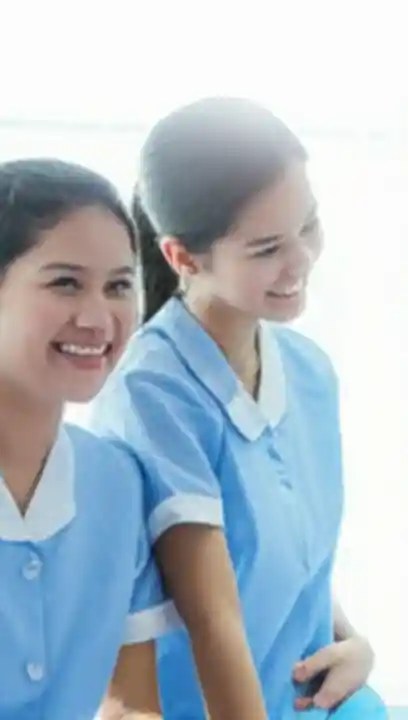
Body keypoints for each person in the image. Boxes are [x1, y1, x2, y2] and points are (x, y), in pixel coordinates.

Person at [88, 97, 385, 719]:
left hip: (308, 704)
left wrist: (352, 643)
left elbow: (293, 564)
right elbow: (214, 617)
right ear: (183, 258)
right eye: (267, 247)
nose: (300, 260)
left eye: (308, 226)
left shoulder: (308, 373)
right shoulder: (153, 394)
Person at [0, 158, 176, 718]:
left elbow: (131, 705)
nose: (100, 318)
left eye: (120, 286)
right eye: (65, 283)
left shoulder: (118, 483)